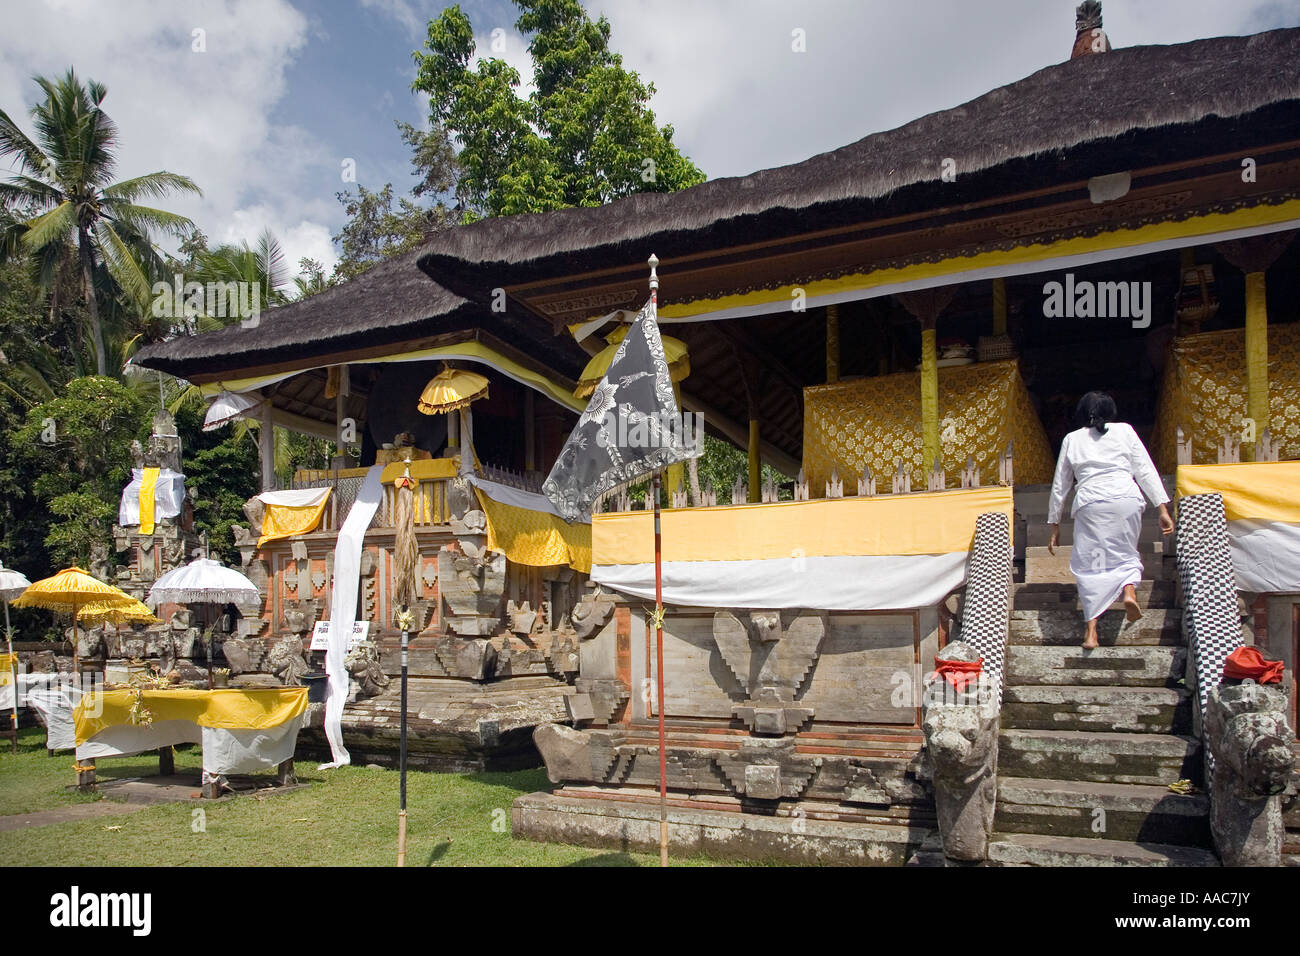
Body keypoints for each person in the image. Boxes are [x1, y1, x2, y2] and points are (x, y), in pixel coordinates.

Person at [1047, 392, 1174, 648]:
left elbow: (1061, 484)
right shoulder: (1126, 431)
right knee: (1125, 552)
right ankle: (1128, 591)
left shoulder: (1072, 439)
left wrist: (1055, 524)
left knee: (1090, 563)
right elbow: (1145, 468)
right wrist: (1162, 508)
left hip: (1091, 503)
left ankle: (1091, 633)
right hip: (1125, 498)